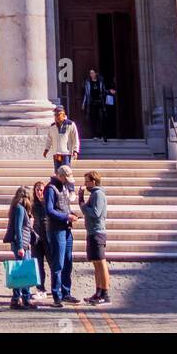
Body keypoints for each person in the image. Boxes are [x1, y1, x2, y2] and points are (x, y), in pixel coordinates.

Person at [43, 163, 80, 307]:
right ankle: (56, 295)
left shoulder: (64, 186)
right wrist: (66, 216)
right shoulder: (50, 189)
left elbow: (65, 205)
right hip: (56, 229)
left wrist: (72, 214)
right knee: (58, 263)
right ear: (61, 176)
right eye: (67, 178)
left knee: (68, 262)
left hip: (67, 229)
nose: (68, 182)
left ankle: (66, 292)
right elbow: (50, 210)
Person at [2, 186, 39, 309]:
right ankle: (21, 298)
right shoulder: (20, 208)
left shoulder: (18, 208)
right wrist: (20, 247)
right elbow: (18, 228)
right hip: (21, 244)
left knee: (22, 271)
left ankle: (20, 298)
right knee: (22, 272)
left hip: (23, 243)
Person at [78, 171, 110, 305]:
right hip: (92, 232)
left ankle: (105, 294)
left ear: (94, 181)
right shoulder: (94, 194)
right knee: (96, 263)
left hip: (98, 232)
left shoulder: (98, 194)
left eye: (87, 181)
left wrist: (82, 204)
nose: (85, 184)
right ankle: (98, 292)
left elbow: (95, 213)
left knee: (101, 263)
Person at [43, 106, 80, 172]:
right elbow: (49, 139)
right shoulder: (52, 126)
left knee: (66, 171)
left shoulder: (71, 124)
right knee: (57, 172)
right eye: (55, 115)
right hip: (56, 153)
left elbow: (75, 138)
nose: (57, 116)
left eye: (58, 114)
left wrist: (75, 150)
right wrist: (46, 149)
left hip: (66, 153)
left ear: (63, 114)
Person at [30, 180, 49, 296]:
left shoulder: (49, 202)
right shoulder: (32, 204)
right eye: (37, 190)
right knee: (38, 264)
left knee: (52, 263)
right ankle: (40, 288)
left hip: (48, 236)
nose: (39, 192)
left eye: (41, 190)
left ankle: (57, 288)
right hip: (37, 237)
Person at [81, 69, 107, 141]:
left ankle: (102, 135)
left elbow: (104, 91)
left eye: (92, 73)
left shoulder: (100, 82)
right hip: (92, 103)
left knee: (101, 118)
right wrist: (83, 103)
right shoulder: (88, 82)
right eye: (90, 73)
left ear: (96, 74)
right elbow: (86, 94)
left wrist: (109, 92)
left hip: (100, 103)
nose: (91, 74)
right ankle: (95, 135)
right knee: (93, 119)